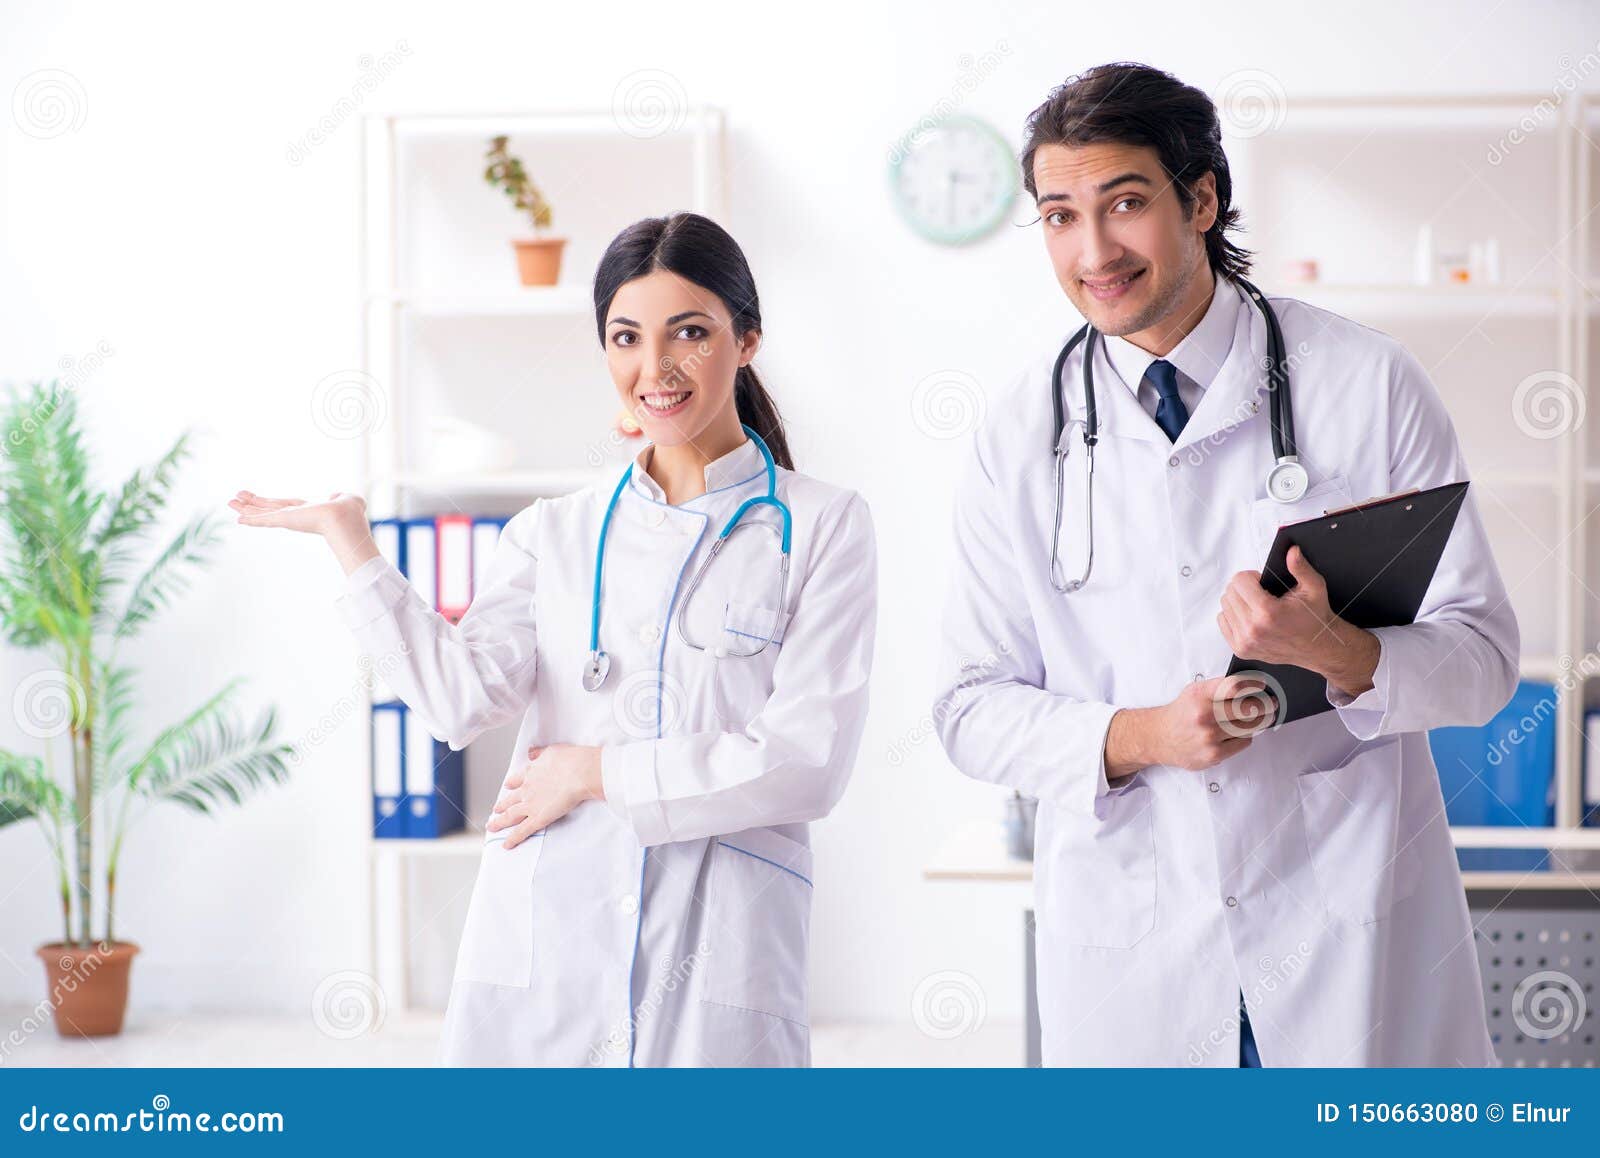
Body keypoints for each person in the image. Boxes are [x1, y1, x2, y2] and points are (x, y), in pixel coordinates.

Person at [932, 63, 1517, 1067]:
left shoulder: (1366, 383)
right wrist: (1140, 735)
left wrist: (1343, 653)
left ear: (1202, 198)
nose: (1093, 250)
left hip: (1347, 924)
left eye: (1125, 204)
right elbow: (966, 706)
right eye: (1060, 216)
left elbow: (1484, 660)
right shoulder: (1017, 435)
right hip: (1136, 950)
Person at [231, 212, 877, 1066]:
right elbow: (458, 704)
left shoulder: (822, 524)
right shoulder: (555, 533)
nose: (657, 369)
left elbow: (806, 762)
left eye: (691, 332)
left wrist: (594, 773)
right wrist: (354, 548)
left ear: (747, 337)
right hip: (548, 936)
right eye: (626, 337)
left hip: (720, 955)